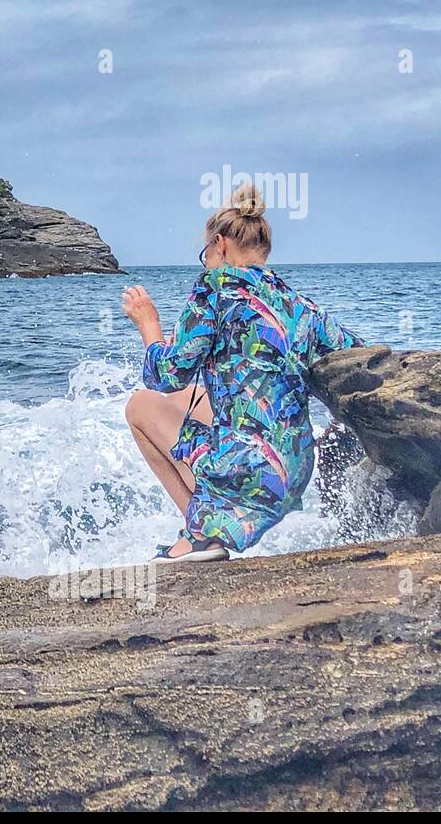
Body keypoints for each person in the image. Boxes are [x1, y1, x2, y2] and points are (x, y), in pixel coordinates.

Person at [121, 184, 362, 562]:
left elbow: (165, 375)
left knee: (141, 406)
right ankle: (208, 529)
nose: (208, 263)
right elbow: (356, 355)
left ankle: (201, 536)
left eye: (207, 254)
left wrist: (148, 326)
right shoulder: (299, 304)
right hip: (294, 469)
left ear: (220, 244)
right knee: (181, 401)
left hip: (248, 470)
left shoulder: (214, 291)